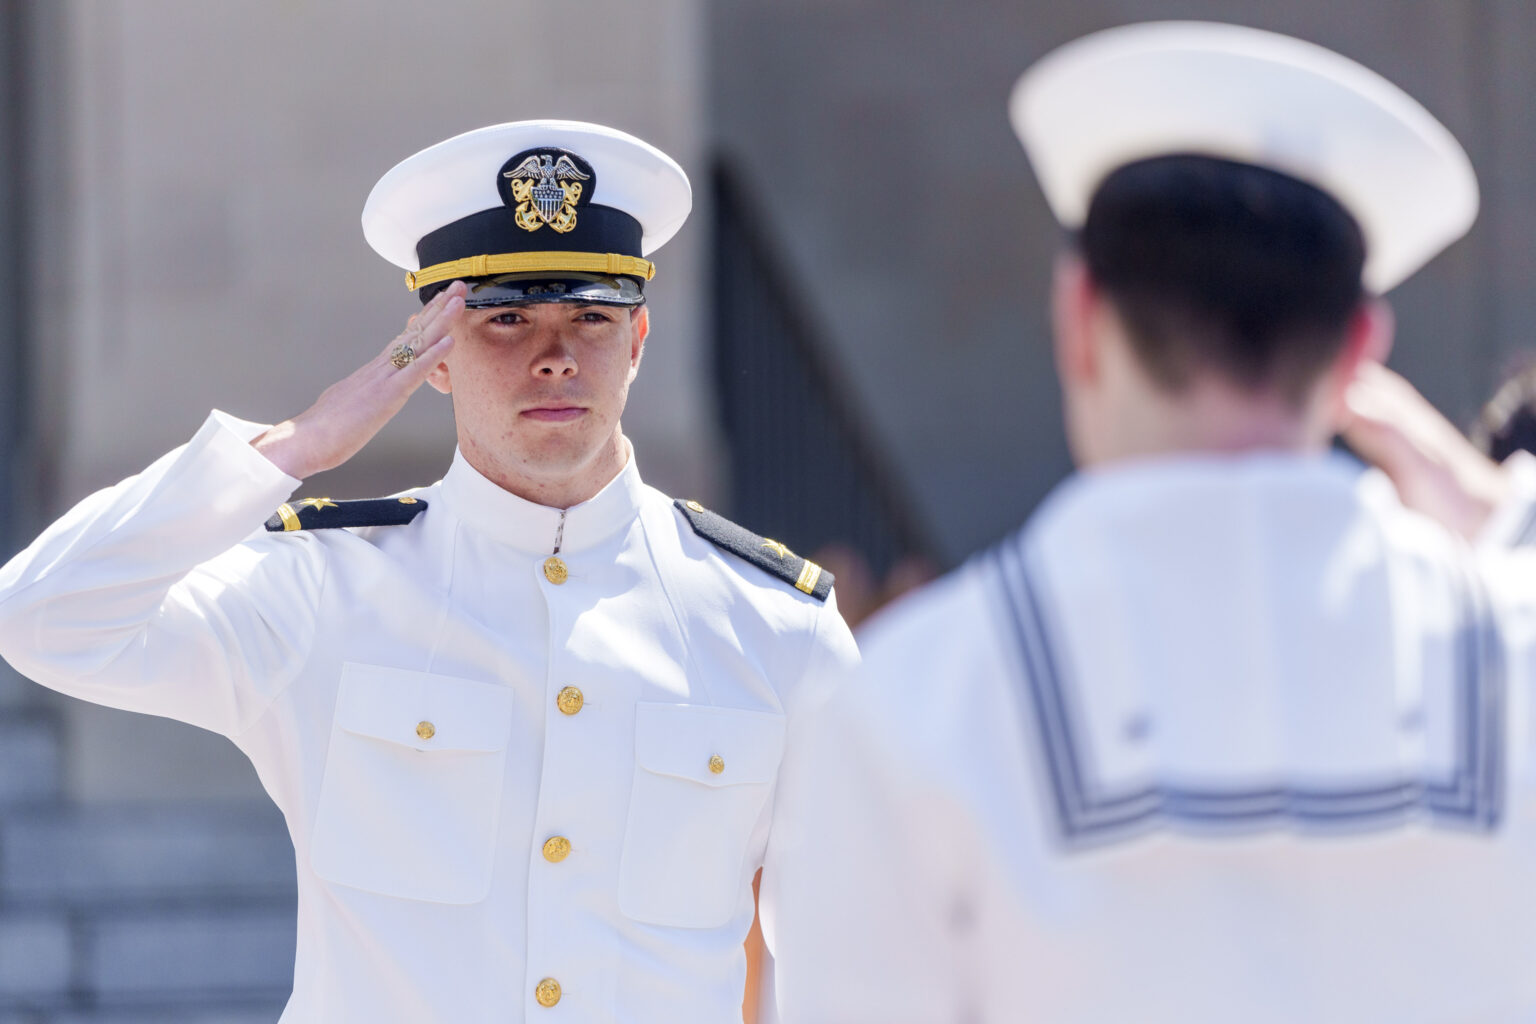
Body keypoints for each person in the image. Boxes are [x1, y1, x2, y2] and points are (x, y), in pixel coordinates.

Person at [0, 120, 858, 1023]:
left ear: (637, 339)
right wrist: (291, 448)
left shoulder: (775, 626)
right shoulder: (322, 591)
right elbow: (41, 616)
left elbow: (857, 958)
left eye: (592, 317)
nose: (555, 354)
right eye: (506, 319)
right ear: (434, 356)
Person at [763, 22, 1536, 1023]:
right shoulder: (1514, 646)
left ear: (1078, 319)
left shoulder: (912, 704)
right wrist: (1505, 520)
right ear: (1359, 350)